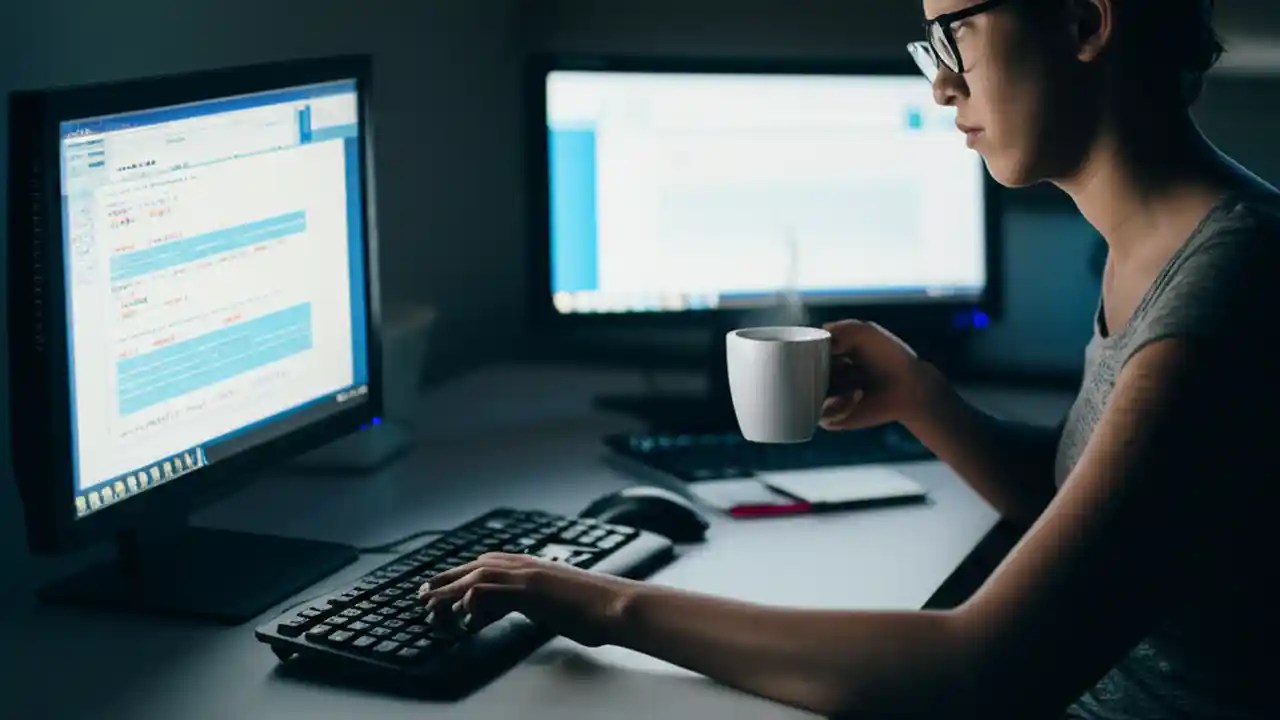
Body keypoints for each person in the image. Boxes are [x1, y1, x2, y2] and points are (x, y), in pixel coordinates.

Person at [421, 0, 1280, 717]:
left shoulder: (1222, 297)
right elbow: (1099, 527)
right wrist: (921, 396)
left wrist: (602, 601)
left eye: (958, 35)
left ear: (1085, 24)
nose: (941, 85)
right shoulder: (1165, 248)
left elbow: (978, 669)